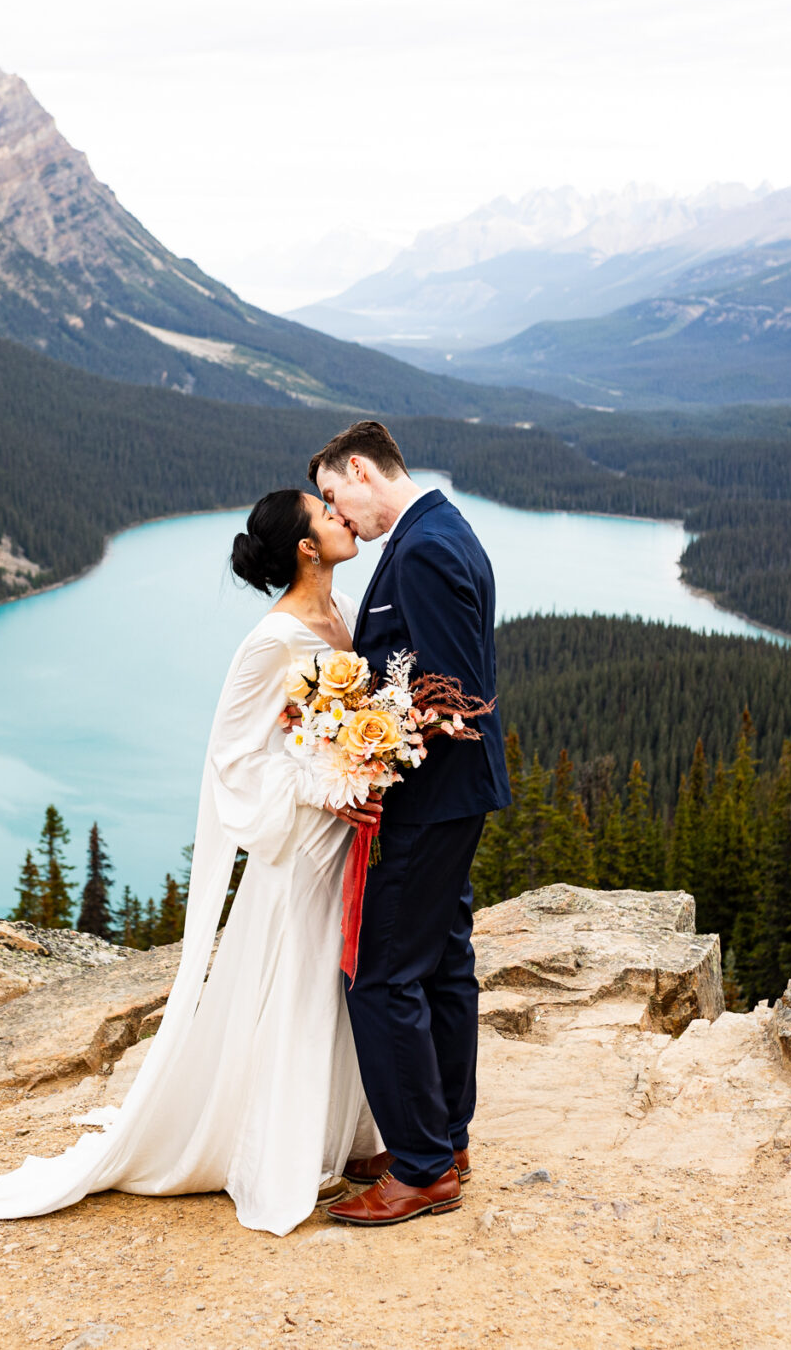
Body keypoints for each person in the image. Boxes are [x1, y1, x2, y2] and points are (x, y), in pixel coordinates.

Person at [0, 487, 382, 1237]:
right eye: (327, 514)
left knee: (344, 981)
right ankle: (277, 1151)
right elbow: (231, 758)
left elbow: (341, 717)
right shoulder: (271, 642)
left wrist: (369, 753)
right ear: (304, 546)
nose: (342, 516)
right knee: (300, 983)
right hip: (304, 845)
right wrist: (330, 788)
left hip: (348, 837)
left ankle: (353, 1137)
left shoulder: (347, 607)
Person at [311, 420, 511, 1227]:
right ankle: (445, 1141)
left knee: (381, 971)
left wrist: (364, 758)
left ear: (360, 469)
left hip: (428, 801)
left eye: (332, 494)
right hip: (453, 797)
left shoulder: (425, 547)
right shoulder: (438, 528)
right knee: (439, 965)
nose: (336, 514)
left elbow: (452, 692)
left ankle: (424, 1166)